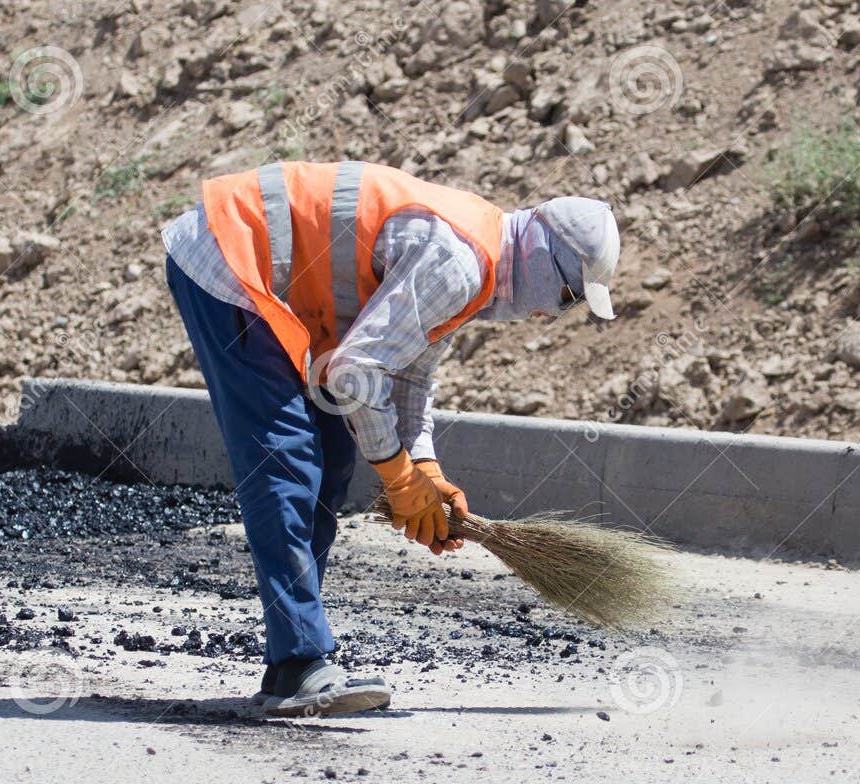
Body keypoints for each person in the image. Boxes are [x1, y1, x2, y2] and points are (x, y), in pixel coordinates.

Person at [161, 160, 620, 717]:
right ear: (544, 258)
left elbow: (409, 373)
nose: (552, 311)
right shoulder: (461, 264)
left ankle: (290, 666)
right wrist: (397, 475)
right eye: (569, 295)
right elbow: (357, 372)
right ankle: (304, 660)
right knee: (286, 458)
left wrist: (424, 467)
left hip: (262, 269)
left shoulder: (477, 260)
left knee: (328, 458)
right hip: (230, 254)